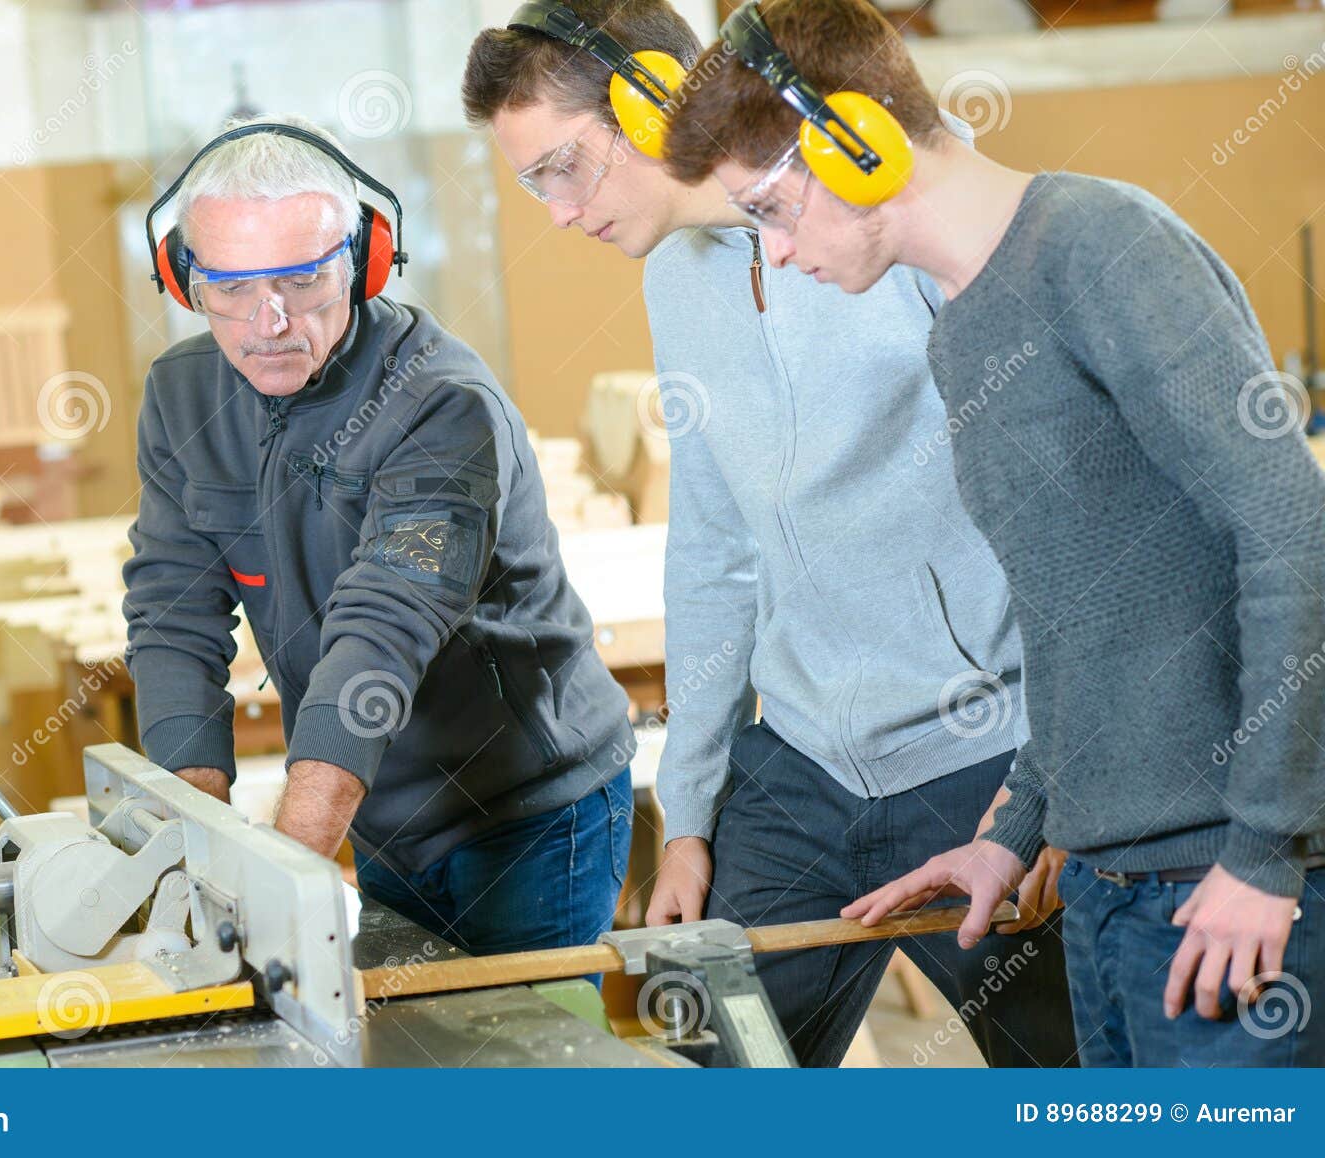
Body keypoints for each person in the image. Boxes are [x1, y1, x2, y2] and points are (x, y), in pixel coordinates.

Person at [663, 0, 1325, 1066]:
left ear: (856, 145)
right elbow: (1068, 624)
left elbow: (1295, 530)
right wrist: (1010, 832)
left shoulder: (1099, 245)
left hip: (1218, 886)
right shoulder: (963, 321)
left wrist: (1262, 852)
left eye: (773, 210)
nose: (774, 257)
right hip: (1106, 885)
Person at [463, 1, 1075, 1066]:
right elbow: (711, 549)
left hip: (980, 752)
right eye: (532, 185)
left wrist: (1062, 780)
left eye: (564, 167)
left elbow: (1067, 521)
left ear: (650, 99)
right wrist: (691, 814)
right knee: (717, 1071)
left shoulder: (891, 216)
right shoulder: (674, 279)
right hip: (797, 770)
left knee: (1082, 1082)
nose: (556, 213)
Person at [122, 114, 635, 957]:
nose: (269, 321)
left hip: (526, 813)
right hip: (377, 803)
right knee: (417, 1058)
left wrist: (278, 878)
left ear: (365, 262)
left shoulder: (440, 402)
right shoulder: (182, 396)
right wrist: (196, 852)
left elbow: (380, 636)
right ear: (183, 280)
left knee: (533, 1064)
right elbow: (173, 615)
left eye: (301, 281)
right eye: (232, 287)